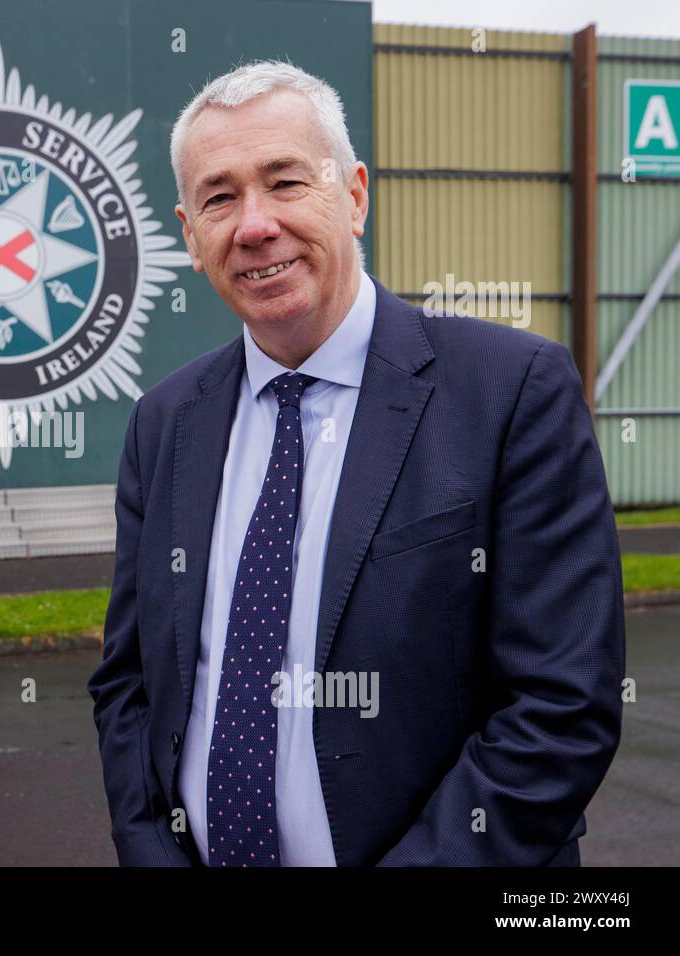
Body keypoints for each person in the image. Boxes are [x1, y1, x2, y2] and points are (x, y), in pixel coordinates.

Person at [87, 62, 625, 866]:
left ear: (356, 196)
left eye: (285, 181)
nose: (255, 224)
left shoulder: (510, 392)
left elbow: (561, 707)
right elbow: (130, 684)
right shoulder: (166, 423)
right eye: (219, 197)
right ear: (191, 236)